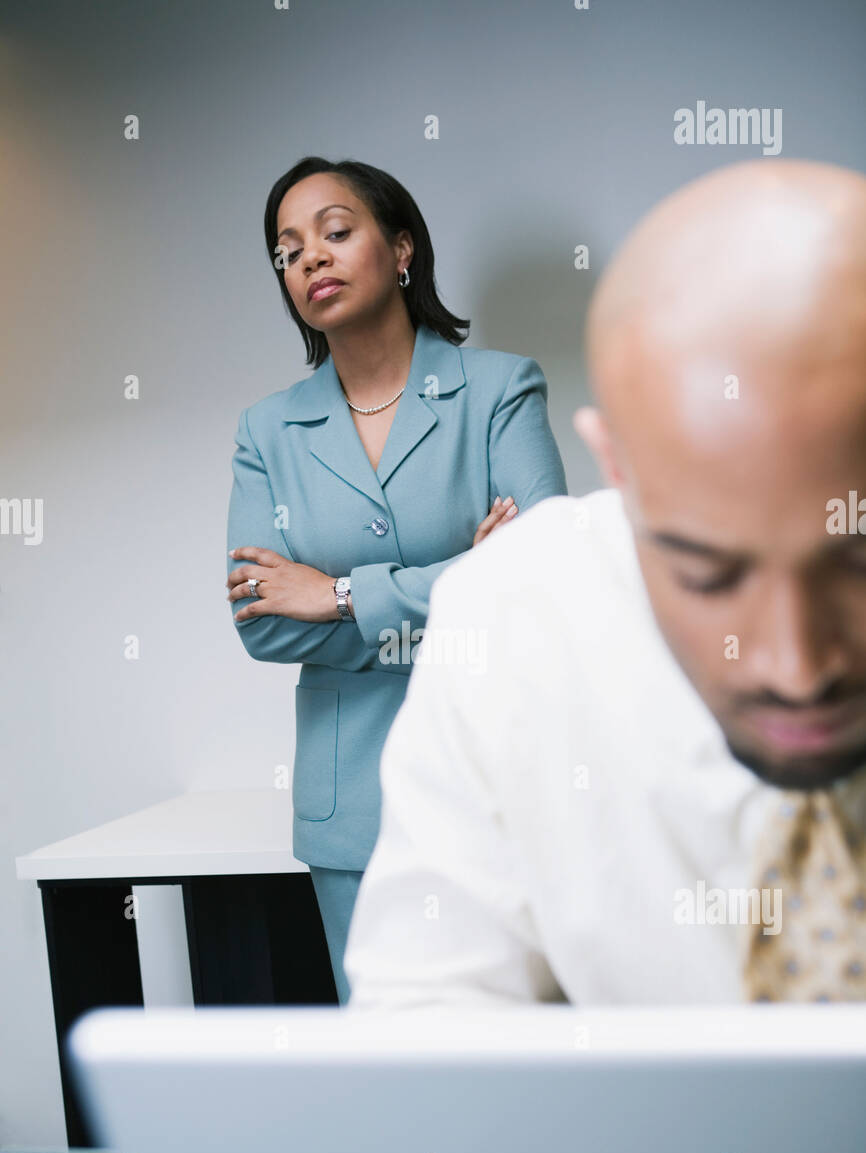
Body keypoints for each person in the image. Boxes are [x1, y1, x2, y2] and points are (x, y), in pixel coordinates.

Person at [344, 158, 866, 1008]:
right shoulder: (510, 620)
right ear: (616, 467)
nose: (796, 666)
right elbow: (427, 1025)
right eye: (706, 570)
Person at [226, 157, 568, 1003]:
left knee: (522, 1057)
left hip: (500, 784)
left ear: (402, 248)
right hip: (352, 809)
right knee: (387, 1059)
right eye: (288, 251)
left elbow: (544, 573)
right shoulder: (268, 431)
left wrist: (336, 594)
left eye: (336, 233)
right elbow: (262, 622)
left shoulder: (498, 390)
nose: (311, 259)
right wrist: (464, 582)